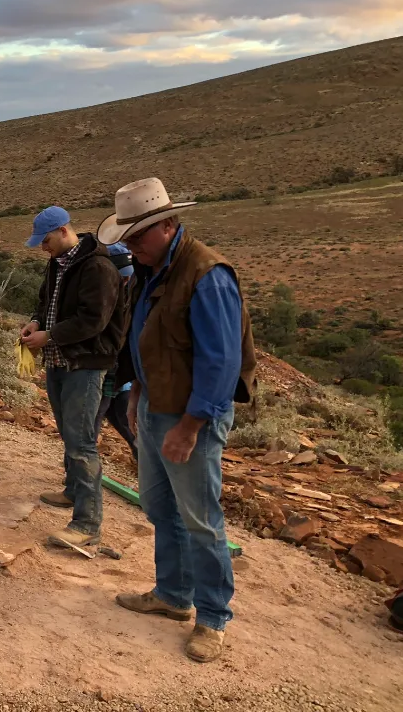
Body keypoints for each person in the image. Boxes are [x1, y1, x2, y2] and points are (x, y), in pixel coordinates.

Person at [98, 178, 256, 663]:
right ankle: (172, 595)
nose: (130, 246)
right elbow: (149, 342)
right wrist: (137, 393)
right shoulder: (152, 270)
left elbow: (220, 363)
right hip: (152, 406)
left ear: (167, 226)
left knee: (202, 521)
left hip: (191, 417)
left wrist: (190, 427)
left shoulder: (206, 274)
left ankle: (212, 618)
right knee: (158, 506)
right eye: (126, 237)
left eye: (138, 235)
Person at [20, 206, 128, 549]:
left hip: (86, 362)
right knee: (69, 431)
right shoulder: (58, 263)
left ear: (64, 230)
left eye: (46, 240)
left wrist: (48, 337)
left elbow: (93, 320)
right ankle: (72, 490)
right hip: (60, 360)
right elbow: (45, 303)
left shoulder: (98, 267)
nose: (43, 247)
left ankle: (87, 523)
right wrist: (36, 323)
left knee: (81, 441)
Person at [96, 243, 137, 460]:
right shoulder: (99, 297)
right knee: (90, 429)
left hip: (119, 378)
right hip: (105, 375)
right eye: (121, 277)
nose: (126, 281)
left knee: (129, 427)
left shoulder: (133, 297)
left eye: (128, 277)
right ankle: (80, 480)